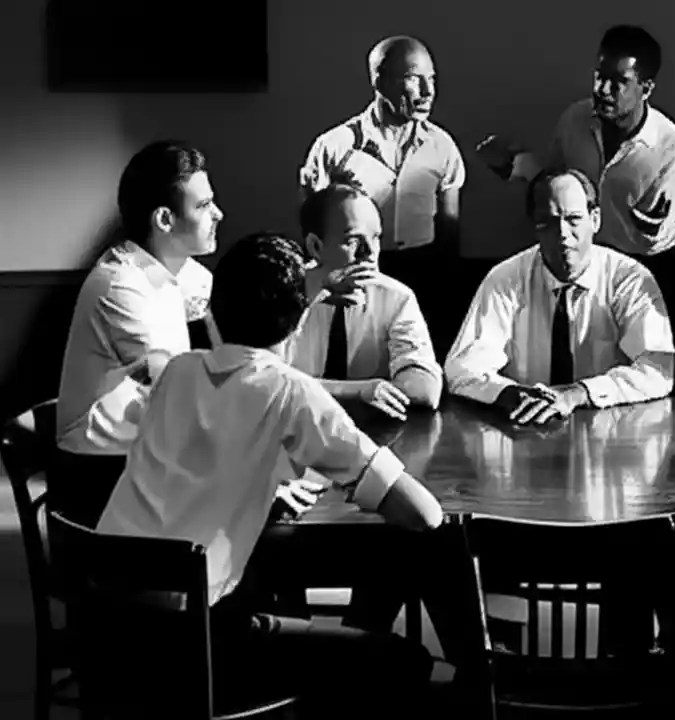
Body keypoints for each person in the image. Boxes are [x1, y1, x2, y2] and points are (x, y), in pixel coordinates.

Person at [94, 233, 447, 718]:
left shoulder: (176, 371)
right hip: (194, 647)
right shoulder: (292, 392)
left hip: (104, 629)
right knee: (402, 661)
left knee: (268, 598)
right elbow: (424, 514)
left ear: (212, 311)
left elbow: (203, 456)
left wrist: (266, 483)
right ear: (300, 321)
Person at [53, 140, 223, 527]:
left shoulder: (182, 271)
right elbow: (177, 389)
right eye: (203, 205)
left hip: (142, 457)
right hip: (97, 475)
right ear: (164, 219)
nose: (218, 214)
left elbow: (242, 339)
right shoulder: (121, 284)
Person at [445, 168, 675, 425]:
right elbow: (463, 367)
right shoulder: (505, 279)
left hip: (608, 429)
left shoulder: (629, 278)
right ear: (534, 226)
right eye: (548, 222)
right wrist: (510, 394)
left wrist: (579, 393)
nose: (563, 233)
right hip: (526, 426)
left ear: (595, 220)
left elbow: (657, 371)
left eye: (573, 219)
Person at [476, 25, 675, 293]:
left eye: (618, 82)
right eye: (599, 76)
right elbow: (556, 186)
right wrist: (518, 166)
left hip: (649, 269)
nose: (602, 89)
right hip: (584, 261)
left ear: (646, 88)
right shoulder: (574, 121)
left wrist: (649, 226)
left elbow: (649, 239)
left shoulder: (673, 150)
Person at [300, 35, 465, 304]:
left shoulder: (442, 146)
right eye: (413, 78)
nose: (427, 91)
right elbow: (311, 228)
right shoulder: (335, 146)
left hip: (426, 274)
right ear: (379, 81)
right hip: (358, 273)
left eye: (431, 79)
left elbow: (450, 229)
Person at [287, 183, 444, 417]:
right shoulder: (283, 295)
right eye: (352, 240)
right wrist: (358, 391)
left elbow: (425, 389)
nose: (369, 252)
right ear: (315, 246)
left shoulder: (396, 298)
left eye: (376, 237)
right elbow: (261, 380)